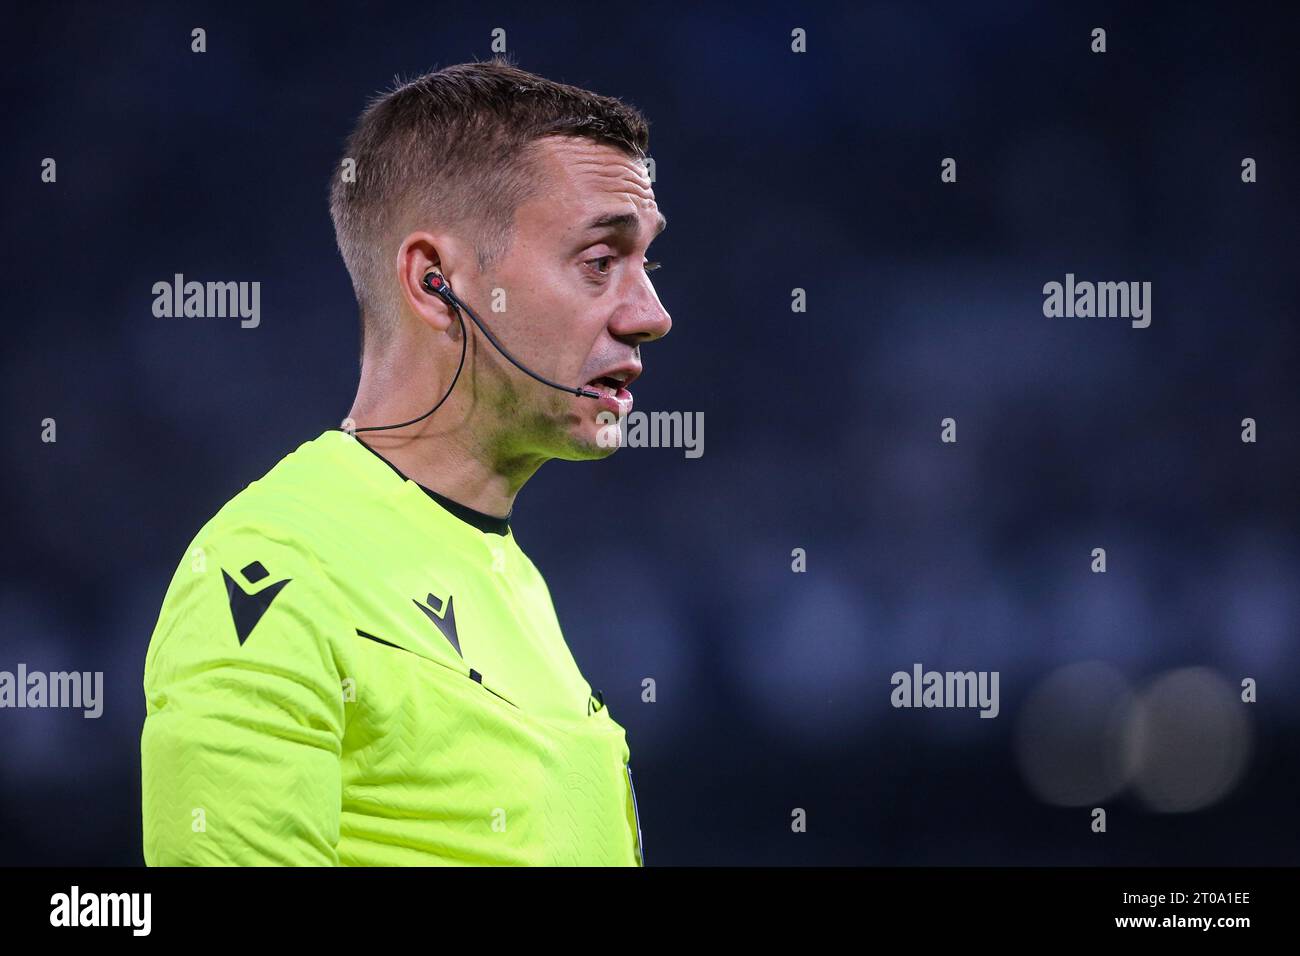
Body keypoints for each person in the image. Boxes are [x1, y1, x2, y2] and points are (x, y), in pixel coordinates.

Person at [140, 58, 671, 865]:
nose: (651, 315)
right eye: (600, 261)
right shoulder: (273, 568)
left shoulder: (507, 573)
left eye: (646, 266)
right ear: (436, 284)